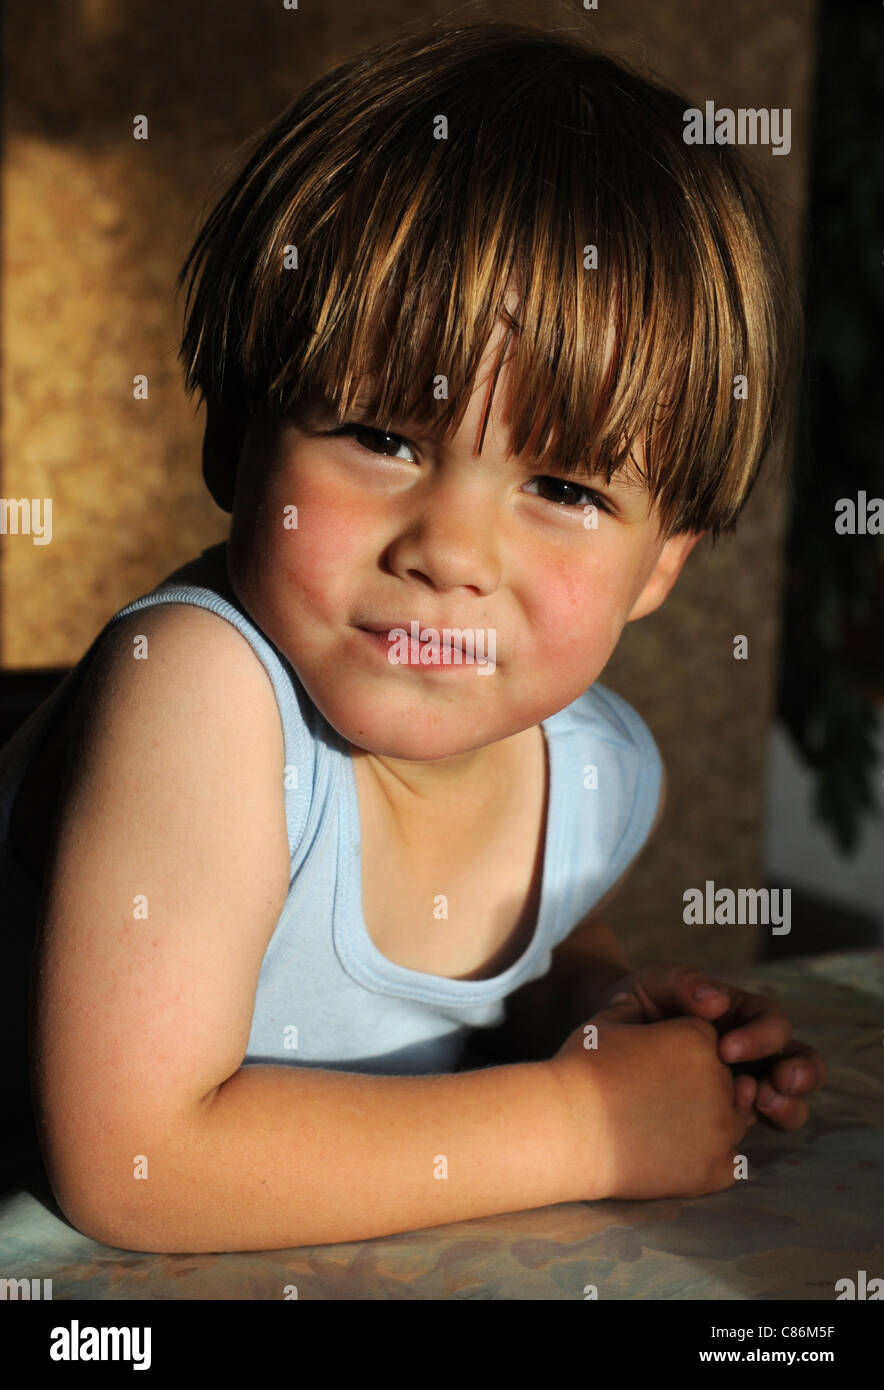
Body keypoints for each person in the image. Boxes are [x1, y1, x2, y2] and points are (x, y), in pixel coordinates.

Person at [0, 20, 826, 1253]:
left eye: (564, 489)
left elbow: (525, 937)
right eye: (381, 438)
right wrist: (583, 1124)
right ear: (233, 439)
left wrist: (603, 1012)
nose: (450, 550)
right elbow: (132, 1165)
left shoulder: (595, 769)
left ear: (659, 564)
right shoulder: (200, 693)